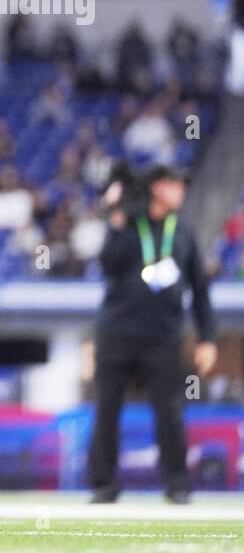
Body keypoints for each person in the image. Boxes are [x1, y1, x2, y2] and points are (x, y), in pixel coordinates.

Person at [87, 165, 217, 505]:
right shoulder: (127, 225)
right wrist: (114, 217)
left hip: (163, 337)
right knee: (107, 408)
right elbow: (108, 265)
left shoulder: (184, 232)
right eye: (175, 185)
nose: (182, 192)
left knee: (170, 411)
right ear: (157, 187)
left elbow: (200, 291)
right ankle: (103, 485)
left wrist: (207, 339)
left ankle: (177, 484)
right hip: (117, 333)